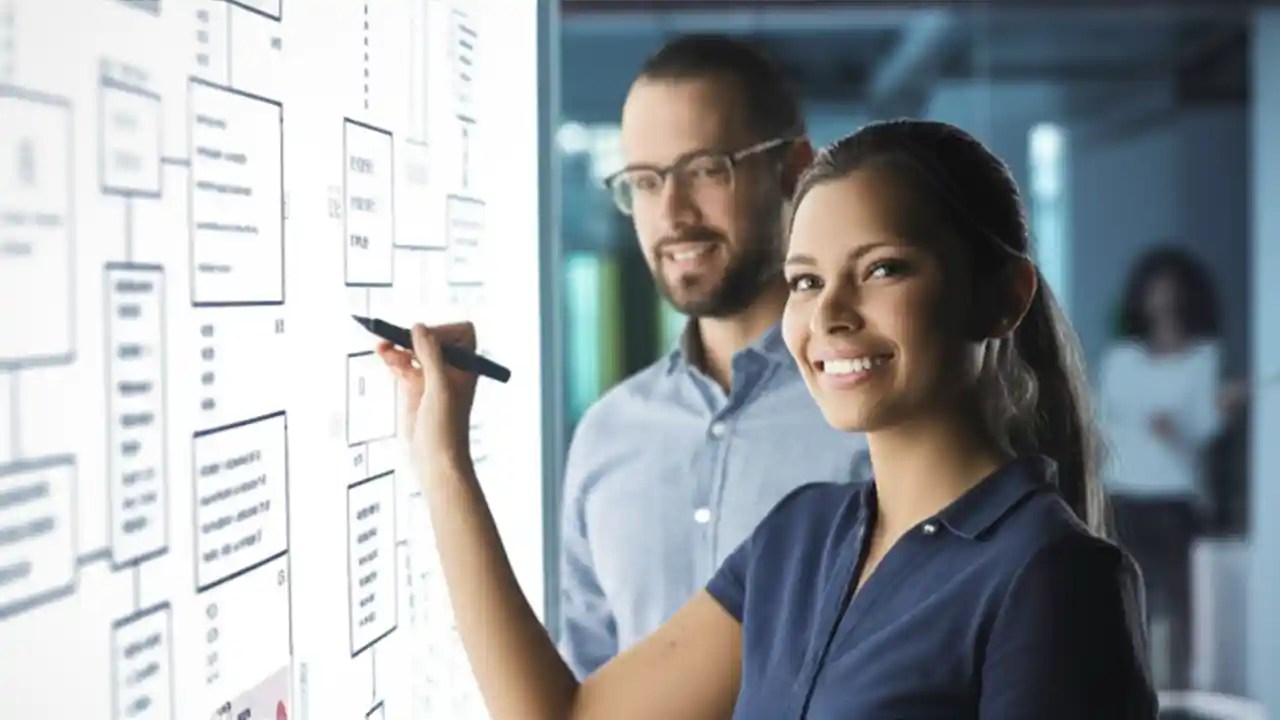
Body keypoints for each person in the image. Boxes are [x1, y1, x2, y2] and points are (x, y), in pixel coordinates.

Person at [376, 119, 1158, 718]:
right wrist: (442, 457)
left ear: (1003, 295)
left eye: (882, 268)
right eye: (806, 281)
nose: (831, 315)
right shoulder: (799, 537)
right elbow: (566, 715)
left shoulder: (1054, 576)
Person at [557, 35, 868, 677]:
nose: (673, 214)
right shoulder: (606, 436)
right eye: (645, 181)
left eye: (705, 170)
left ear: (793, 170)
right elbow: (582, 681)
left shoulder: (875, 407)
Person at [1098, 245, 1248, 689]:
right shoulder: (1120, 359)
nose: (1162, 300)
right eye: (1155, 290)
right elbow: (1107, 417)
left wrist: (1209, 414)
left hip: (1174, 499)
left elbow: (1201, 430)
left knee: (1177, 610)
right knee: (1123, 606)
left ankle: (1178, 695)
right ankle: (1122, 695)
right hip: (1123, 493)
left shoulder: (1204, 356)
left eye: (1171, 291)